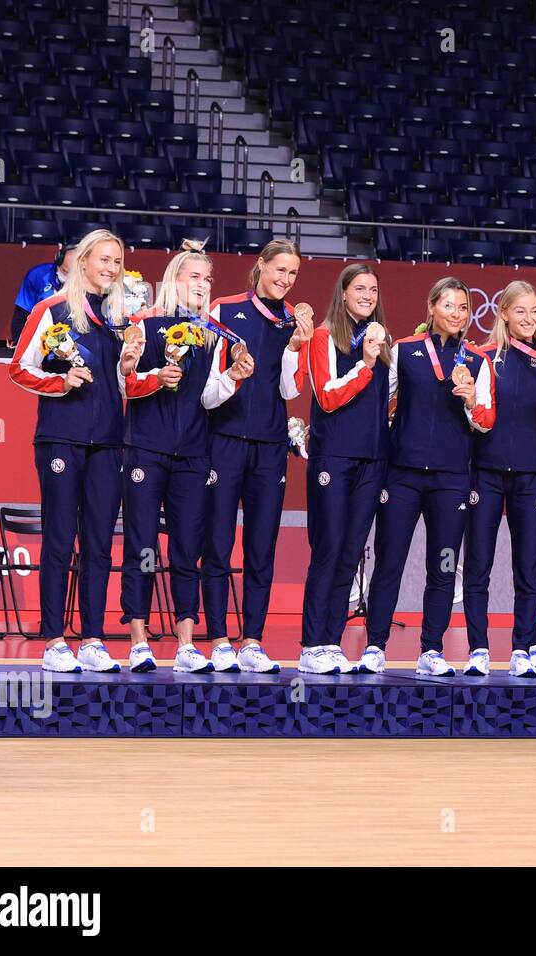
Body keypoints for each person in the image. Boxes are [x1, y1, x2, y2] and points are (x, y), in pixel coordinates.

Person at [117, 240, 254, 673]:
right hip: (146, 450)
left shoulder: (213, 332)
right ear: (174, 279)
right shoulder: (143, 323)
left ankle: (186, 642)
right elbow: (125, 385)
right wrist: (155, 376)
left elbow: (209, 399)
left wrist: (232, 376)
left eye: (208, 278)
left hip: (194, 454)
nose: (203, 284)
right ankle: (138, 637)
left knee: (186, 549)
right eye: (194, 276)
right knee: (142, 545)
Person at [8, 229, 129, 673]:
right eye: (104, 259)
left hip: (109, 442)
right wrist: (60, 383)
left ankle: (93, 638)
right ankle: (55, 639)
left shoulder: (120, 318)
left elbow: (123, 384)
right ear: (82, 263)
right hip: (61, 437)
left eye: (116, 261)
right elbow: (18, 368)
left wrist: (133, 365)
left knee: (99, 543)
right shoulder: (50, 308)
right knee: (60, 539)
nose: (111, 268)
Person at [364, 277, 495, 676]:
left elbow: (487, 422)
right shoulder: (403, 350)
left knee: (442, 565)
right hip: (401, 476)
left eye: (463, 308)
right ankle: (374, 645)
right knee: (390, 562)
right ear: (432, 307)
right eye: (449, 305)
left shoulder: (477, 360)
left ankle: (431, 650)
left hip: (451, 480)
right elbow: (378, 404)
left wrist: (472, 399)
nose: (456, 314)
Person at [201, 239, 313, 674]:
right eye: (279, 269)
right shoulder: (225, 311)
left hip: (270, 446)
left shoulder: (293, 323)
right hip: (223, 440)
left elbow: (290, 391)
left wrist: (295, 349)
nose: (285, 280)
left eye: (293, 274)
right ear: (260, 265)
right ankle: (218, 639)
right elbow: (206, 389)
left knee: (261, 546)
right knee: (218, 543)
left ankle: (252, 640)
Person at [462, 280, 536, 678]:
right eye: (520, 311)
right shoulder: (482, 356)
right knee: (478, 565)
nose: (529, 319)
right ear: (503, 313)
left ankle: (525, 646)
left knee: (529, 566)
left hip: (530, 474)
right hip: (485, 472)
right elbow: (474, 416)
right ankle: (478, 648)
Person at [298, 264, 397, 674]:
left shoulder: (381, 343)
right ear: (342, 293)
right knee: (329, 547)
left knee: (353, 552)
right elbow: (327, 397)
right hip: (333, 458)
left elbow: (386, 404)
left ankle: (331, 641)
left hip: (373, 461)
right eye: (359, 288)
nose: (368, 295)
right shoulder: (324, 337)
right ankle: (311, 644)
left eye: (373, 289)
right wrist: (366, 365)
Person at [10, 242, 79, 347]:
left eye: (73, 273)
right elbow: (21, 315)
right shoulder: (38, 275)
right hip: (43, 338)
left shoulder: (91, 281)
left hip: (78, 338)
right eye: (65, 271)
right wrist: (20, 345)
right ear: (58, 261)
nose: (68, 277)